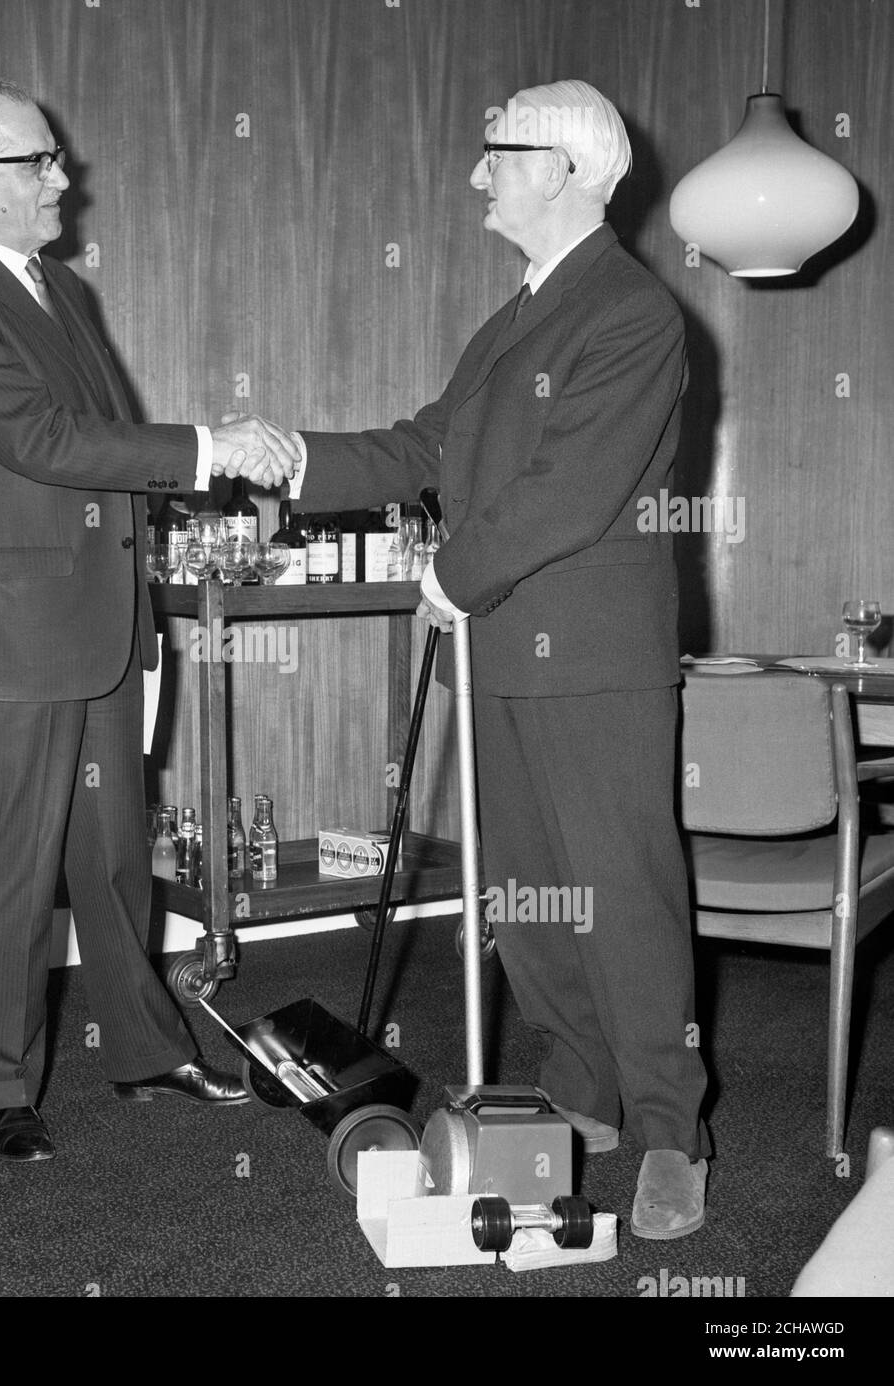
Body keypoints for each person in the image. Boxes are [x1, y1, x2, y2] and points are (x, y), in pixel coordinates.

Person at [285, 80, 710, 1238]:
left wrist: (446, 577)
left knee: (622, 894)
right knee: (525, 892)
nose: (476, 175)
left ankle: (672, 1126)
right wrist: (296, 463)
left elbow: (564, 493)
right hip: (502, 655)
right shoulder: (516, 312)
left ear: (566, 169)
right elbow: (427, 443)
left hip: (590, 654)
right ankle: (583, 1090)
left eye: (495, 154)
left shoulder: (632, 313)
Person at [0, 77, 297, 1162]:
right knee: (14, 872)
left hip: (103, 623)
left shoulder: (59, 289)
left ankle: (143, 1048)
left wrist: (206, 488)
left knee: (116, 856)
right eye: (40, 162)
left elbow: (105, 440)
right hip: (10, 637)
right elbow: (46, 442)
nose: (62, 177)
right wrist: (214, 448)